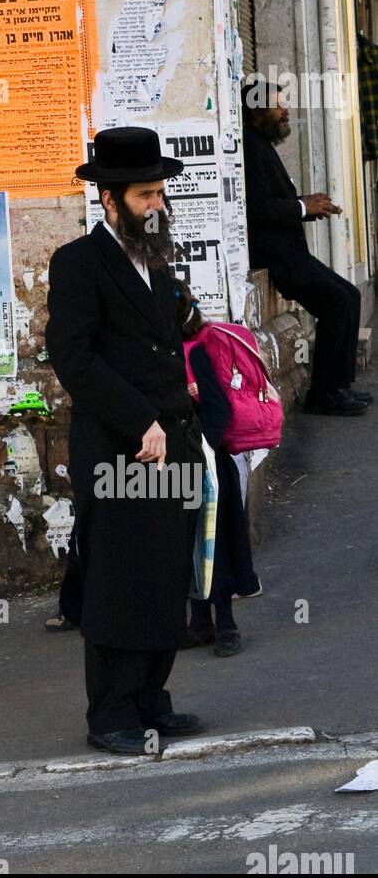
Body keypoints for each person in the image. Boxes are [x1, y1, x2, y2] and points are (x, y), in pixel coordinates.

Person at [46, 127, 206, 755]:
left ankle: (150, 700)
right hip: (121, 447)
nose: (156, 204)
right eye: (144, 195)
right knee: (119, 577)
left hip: (175, 439)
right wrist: (141, 420)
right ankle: (110, 711)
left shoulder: (156, 260)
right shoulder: (78, 264)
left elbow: (169, 343)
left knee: (166, 573)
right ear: (109, 200)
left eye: (160, 192)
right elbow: (74, 359)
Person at [242, 77, 369, 417]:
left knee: (348, 297)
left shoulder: (260, 144)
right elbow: (257, 210)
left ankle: (338, 386)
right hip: (277, 258)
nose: (285, 111)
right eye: (277, 105)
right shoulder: (250, 147)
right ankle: (325, 393)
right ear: (256, 109)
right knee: (338, 302)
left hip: (290, 254)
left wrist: (310, 207)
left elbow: (274, 202)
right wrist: (301, 207)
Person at [172, 280, 262, 658]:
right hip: (179, 464)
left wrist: (201, 446)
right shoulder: (161, 354)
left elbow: (218, 408)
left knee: (215, 544)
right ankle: (200, 623)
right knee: (189, 543)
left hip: (209, 464)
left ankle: (226, 624)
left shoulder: (194, 354)